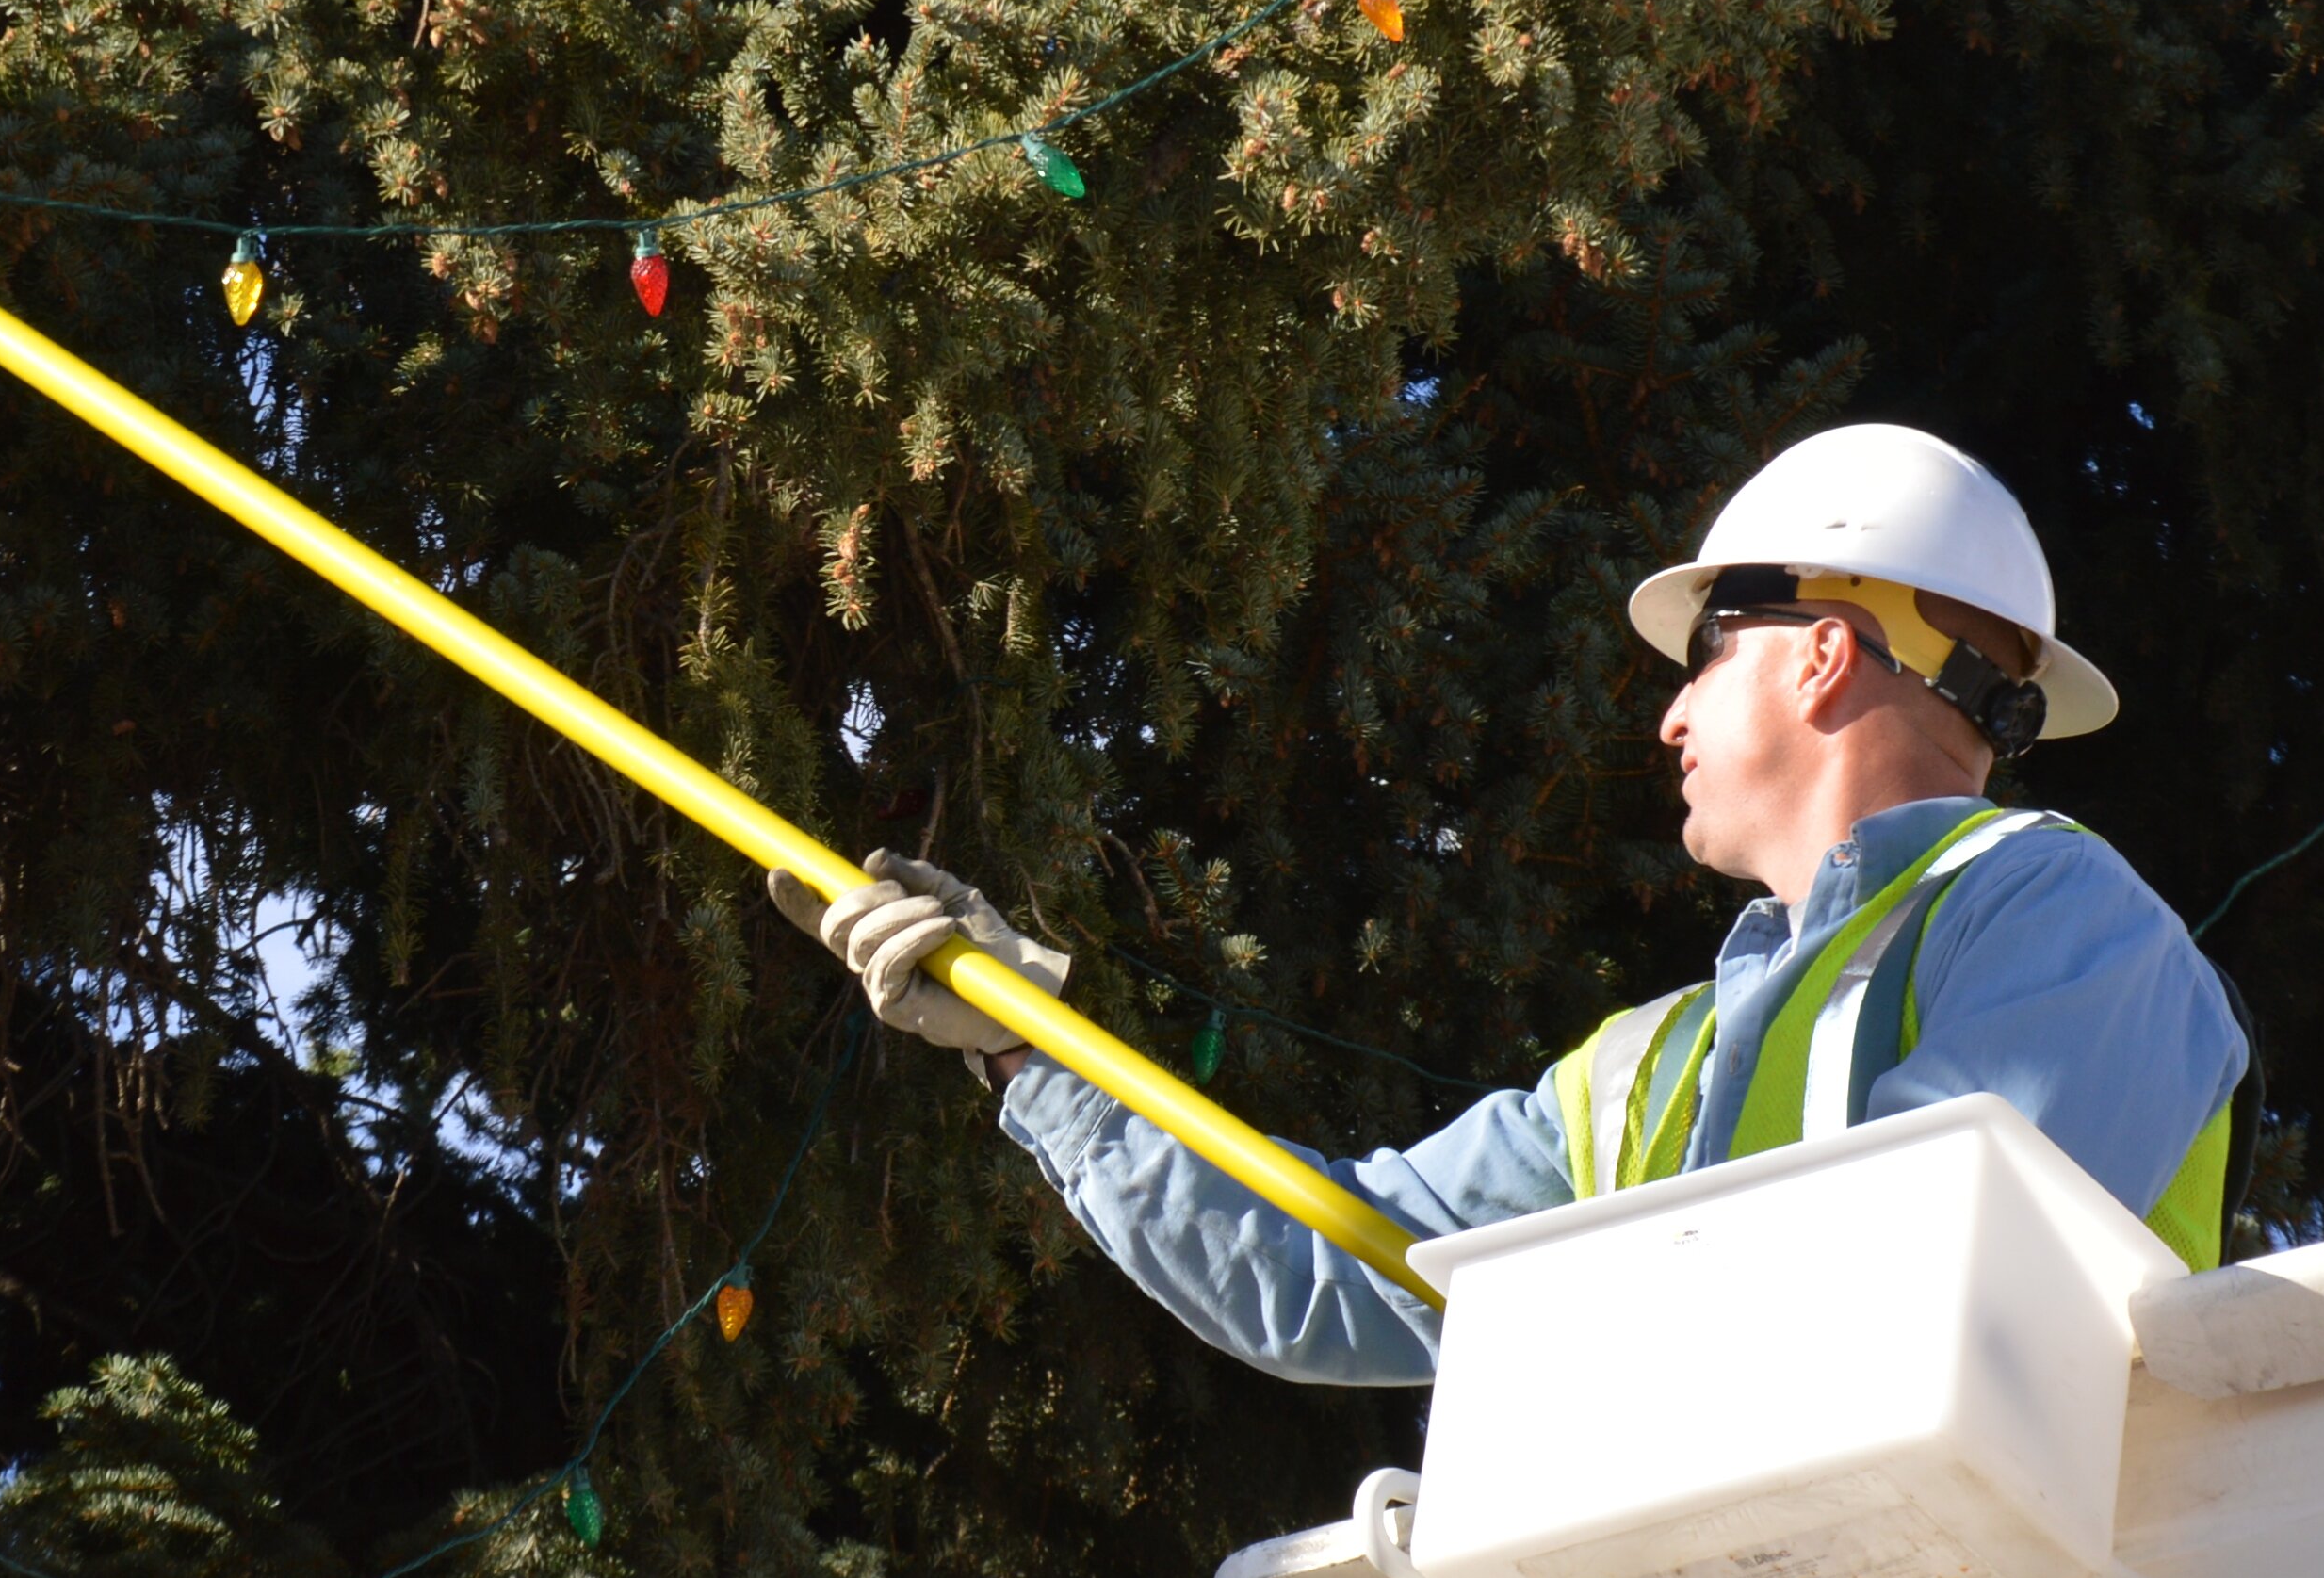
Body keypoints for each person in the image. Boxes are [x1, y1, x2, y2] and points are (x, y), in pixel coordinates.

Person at [772, 425, 2250, 1384]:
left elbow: (1923, 1273)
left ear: (1821, 657)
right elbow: (1330, 1263)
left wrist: (1577, 1320)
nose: (1668, 724)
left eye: (1706, 664)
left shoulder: (2061, 918)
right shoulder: (1652, 1071)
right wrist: (1035, 1056)